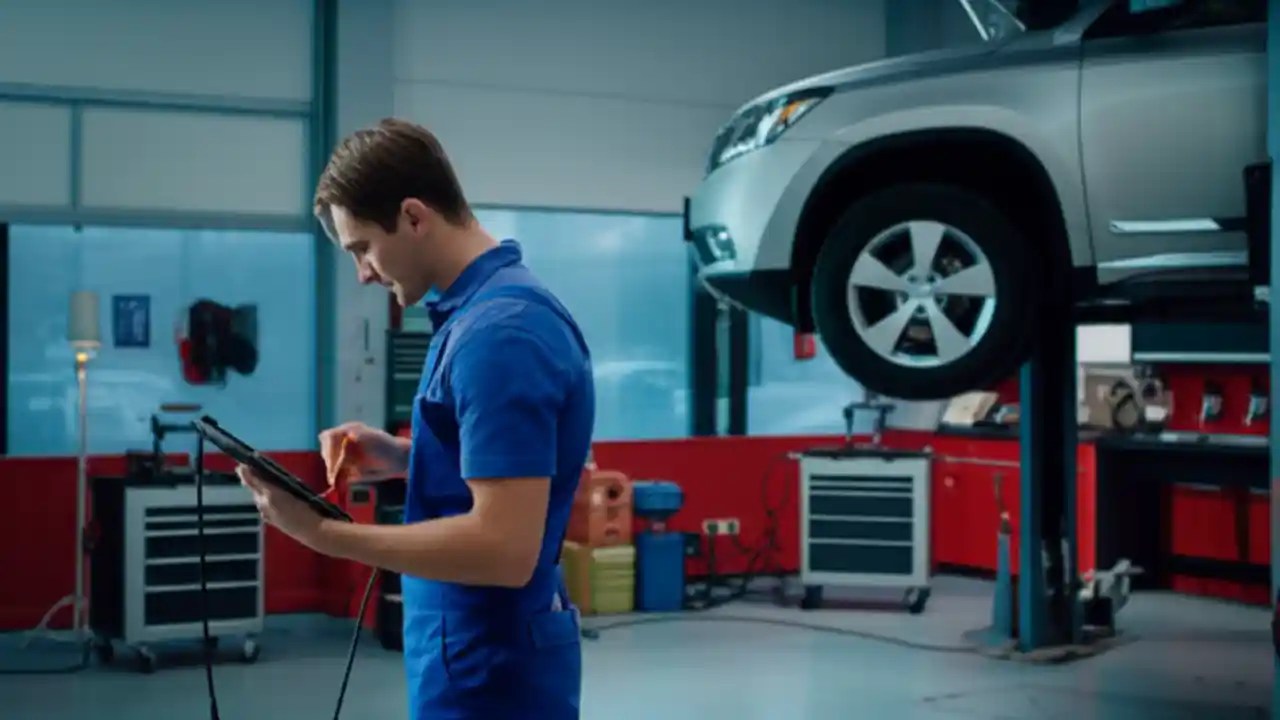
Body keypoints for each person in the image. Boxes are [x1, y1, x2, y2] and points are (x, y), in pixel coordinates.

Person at [235, 117, 595, 719]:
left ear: (413, 216)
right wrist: (405, 458)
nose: (363, 273)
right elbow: (513, 473)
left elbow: (504, 547)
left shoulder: (500, 334)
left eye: (362, 249)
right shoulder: (473, 315)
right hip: (468, 652)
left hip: (493, 669)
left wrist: (324, 534)